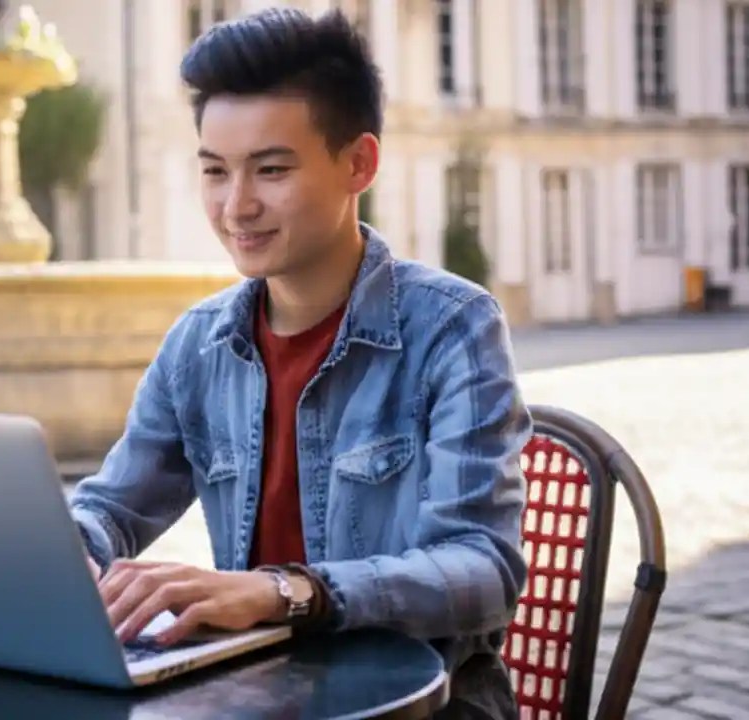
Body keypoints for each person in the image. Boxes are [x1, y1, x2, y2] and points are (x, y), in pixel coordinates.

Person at [67, 6, 530, 718]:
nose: (237, 206)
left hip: (425, 705)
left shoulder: (454, 328)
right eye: (215, 172)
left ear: (359, 164)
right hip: (257, 697)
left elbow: (482, 568)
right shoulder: (197, 345)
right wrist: (50, 550)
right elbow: (109, 507)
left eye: (271, 169)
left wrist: (288, 592)